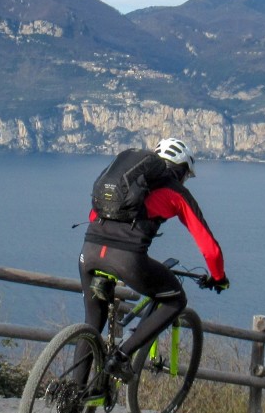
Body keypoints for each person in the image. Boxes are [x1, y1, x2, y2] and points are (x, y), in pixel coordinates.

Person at [79, 136, 229, 381]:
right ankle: (121, 357)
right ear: (181, 170)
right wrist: (219, 278)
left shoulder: (125, 183)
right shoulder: (177, 192)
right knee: (175, 300)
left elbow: (94, 214)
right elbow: (210, 249)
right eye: (187, 175)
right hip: (126, 259)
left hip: (89, 252)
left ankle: (74, 395)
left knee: (93, 322)